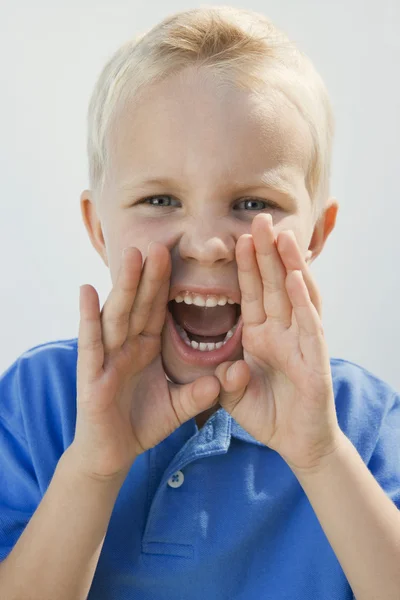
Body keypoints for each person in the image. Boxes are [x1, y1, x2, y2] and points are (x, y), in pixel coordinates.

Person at [0, 6, 399, 600]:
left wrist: (320, 454)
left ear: (316, 234)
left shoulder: (361, 421)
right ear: (98, 227)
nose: (209, 245)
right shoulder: (41, 401)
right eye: (160, 199)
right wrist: (94, 466)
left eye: (253, 203)